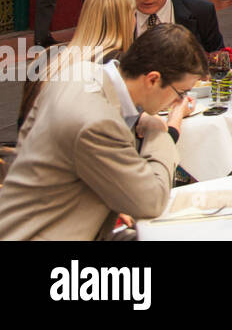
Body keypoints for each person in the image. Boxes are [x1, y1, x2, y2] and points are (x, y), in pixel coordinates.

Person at [0, 22, 207, 240]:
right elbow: (152, 201)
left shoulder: (80, 72)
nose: (179, 101)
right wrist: (160, 132)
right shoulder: (97, 122)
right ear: (153, 79)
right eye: (180, 92)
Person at [18, 0, 137, 129]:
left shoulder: (47, 55)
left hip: (32, 147)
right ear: (127, 20)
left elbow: (24, 122)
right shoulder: (119, 65)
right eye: (134, 14)